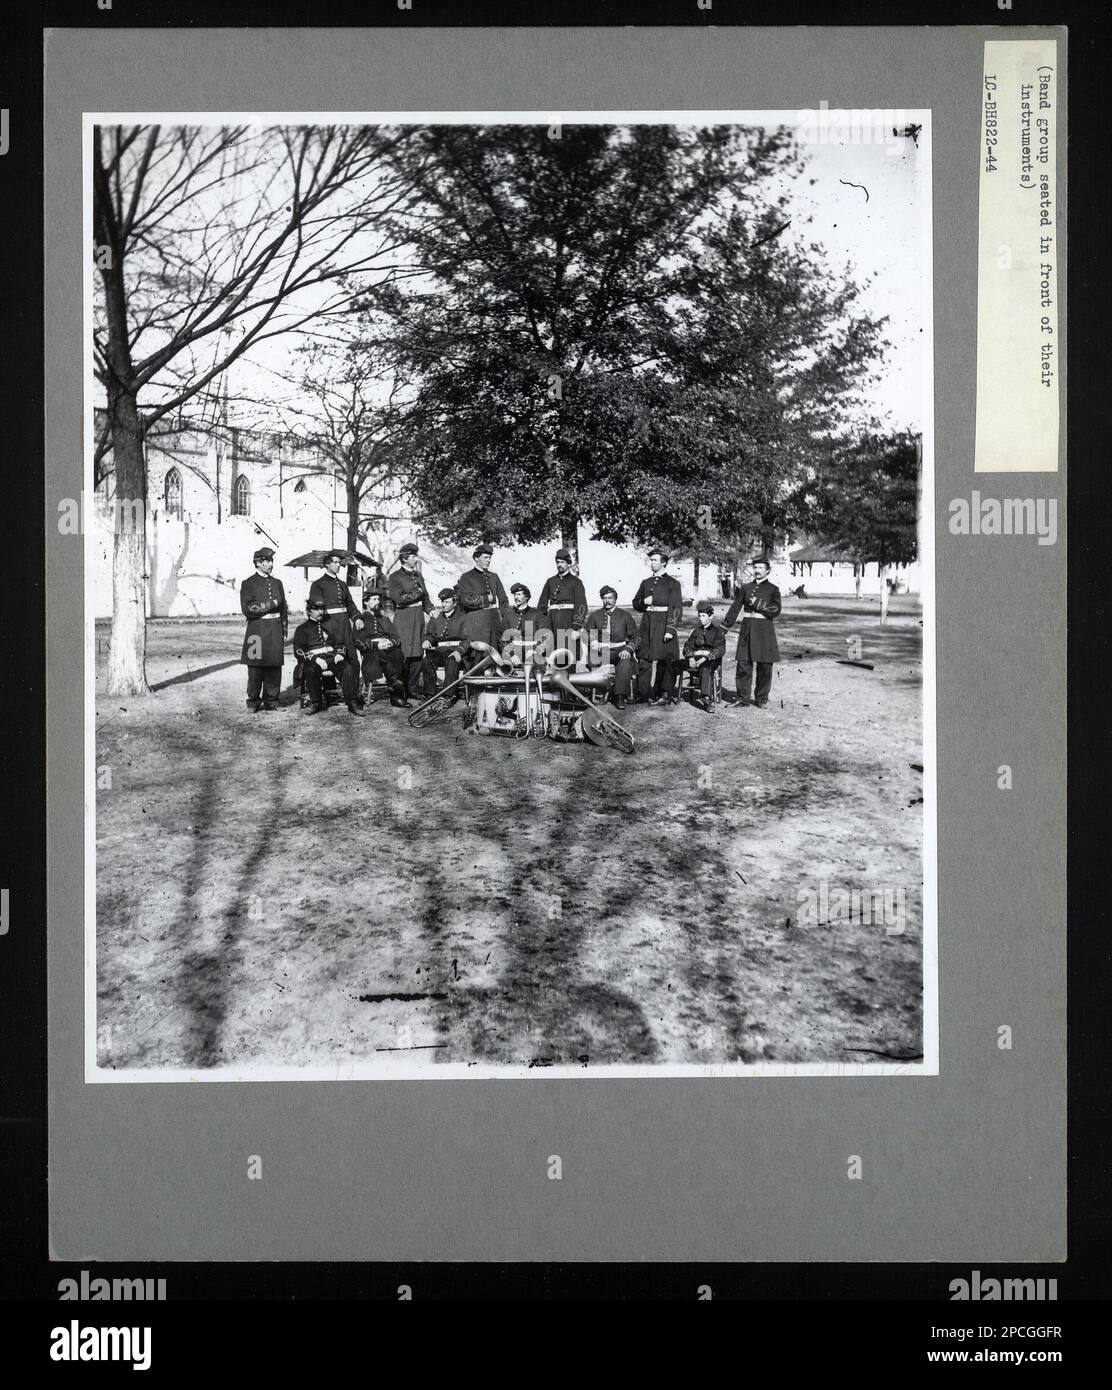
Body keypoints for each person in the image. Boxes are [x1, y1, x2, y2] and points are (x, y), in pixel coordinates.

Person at [724, 557, 782, 709]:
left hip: (764, 629)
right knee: (744, 664)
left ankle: (761, 698)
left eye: (761, 568)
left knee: (764, 666)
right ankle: (743, 698)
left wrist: (759, 604)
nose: (757, 570)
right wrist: (725, 626)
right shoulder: (746, 588)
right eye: (755, 568)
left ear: (767, 570)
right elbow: (735, 607)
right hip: (747, 628)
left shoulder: (773, 589)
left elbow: (776, 610)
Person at [292, 596, 363, 716]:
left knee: (347, 668)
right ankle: (316, 703)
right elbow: (299, 650)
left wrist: (339, 653)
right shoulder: (302, 629)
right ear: (309, 611)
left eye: (322, 609)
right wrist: (315, 658)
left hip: (332, 656)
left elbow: (339, 642)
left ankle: (352, 703)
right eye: (316, 609)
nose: (320, 612)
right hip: (314, 658)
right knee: (310, 669)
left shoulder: (331, 624)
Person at [239, 546, 289, 713]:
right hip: (257, 631)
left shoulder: (277, 583)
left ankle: (272, 700)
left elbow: (283, 609)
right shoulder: (248, 583)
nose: (270, 564)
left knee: (274, 667)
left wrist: (284, 629)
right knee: (255, 668)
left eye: (271, 561)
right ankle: (253, 702)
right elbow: (248, 608)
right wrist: (271, 604)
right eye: (267, 561)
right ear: (258, 563)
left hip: (275, 630)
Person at [631, 547, 684, 705]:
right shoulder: (646, 583)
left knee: (665, 660)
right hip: (647, 624)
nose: (651, 563)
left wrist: (670, 629)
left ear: (664, 563)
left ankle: (664, 694)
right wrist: (643, 602)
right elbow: (636, 604)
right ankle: (643, 693)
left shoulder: (672, 584)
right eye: (651, 560)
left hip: (663, 624)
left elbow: (676, 608)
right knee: (643, 658)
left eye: (654, 560)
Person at [386, 541, 433, 698]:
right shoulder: (395, 577)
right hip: (404, 618)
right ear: (405, 558)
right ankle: (402, 689)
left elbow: (425, 596)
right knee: (404, 654)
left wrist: (431, 610)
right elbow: (399, 599)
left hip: (418, 617)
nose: (415, 558)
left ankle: (413, 689)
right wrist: (417, 593)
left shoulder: (418, 575)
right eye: (413, 556)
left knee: (418, 654)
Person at [584, 586, 639, 708]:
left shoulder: (625, 616)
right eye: (604, 598)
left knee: (625, 662)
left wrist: (628, 649)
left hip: (620, 650)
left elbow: (635, 636)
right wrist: (593, 641)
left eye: (610, 598)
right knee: (593, 661)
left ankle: (620, 696)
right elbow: (589, 633)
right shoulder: (595, 616)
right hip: (601, 651)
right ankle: (604, 691)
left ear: (615, 600)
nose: (607, 601)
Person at [308, 550, 364, 663]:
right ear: (327, 564)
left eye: (339, 563)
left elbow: (350, 604)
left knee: (352, 657)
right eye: (335, 562)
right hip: (329, 626)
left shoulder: (343, 584)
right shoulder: (318, 584)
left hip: (345, 625)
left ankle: (352, 681)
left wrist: (357, 618)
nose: (339, 565)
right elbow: (315, 609)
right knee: (332, 659)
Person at [357, 587, 408, 708]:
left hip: (388, 650)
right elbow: (358, 642)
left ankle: (395, 690)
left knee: (397, 653)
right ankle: (396, 694)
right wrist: (377, 645)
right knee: (384, 656)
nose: (377, 602)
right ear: (365, 601)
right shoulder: (360, 619)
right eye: (374, 599)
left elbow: (396, 636)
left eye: (378, 599)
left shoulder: (384, 619)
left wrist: (390, 642)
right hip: (371, 653)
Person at [537, 547, 588, 665]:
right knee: (551, 658)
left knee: (569, 659)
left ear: (568, 564)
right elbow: (542, 606)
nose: (560, 565)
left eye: (562, 562)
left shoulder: (576, 582)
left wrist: (576, 628)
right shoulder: (550, 581)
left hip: (568, 624)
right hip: (552, 624)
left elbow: (581, 606)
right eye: (558, 562)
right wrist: (543, 626)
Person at [420, 587, 473, 698]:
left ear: (454, 603)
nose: (443, 605)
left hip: (456, 651)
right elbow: (430, 634)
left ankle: (448, 696)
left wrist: (459, 651)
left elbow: (468, 639)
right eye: (442, 602)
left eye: (447, 602)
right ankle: (430, 694)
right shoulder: (436, 617)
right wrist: (427, 640)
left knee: (452, 661)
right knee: (427, 661)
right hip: (440, 651)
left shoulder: (463, 618)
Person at [457, 543, 511, 649]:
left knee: (495, 651)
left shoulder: (494, 577)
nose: (488, 560)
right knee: (479, 653)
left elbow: (503, 599)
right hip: (476, 621)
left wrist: (507, 619)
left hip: (494, 621)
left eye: (490, 557)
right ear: (476, 558)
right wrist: (486, 599)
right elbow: (466, 599)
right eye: (485, 557)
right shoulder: (467, 577)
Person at [677, 599, 726, 712]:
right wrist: (691, 658)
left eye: (703, 616)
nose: (701, 618)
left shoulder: (718, 632)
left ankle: (706, 699)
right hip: (694, 660)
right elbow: (687, 647)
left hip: (710, 661)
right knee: (673, 663)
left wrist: (705, 658)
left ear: (711, 616)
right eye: (699, 616)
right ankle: (665, 693)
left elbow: (720, 649)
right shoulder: (696, 631)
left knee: (705, 667)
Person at [503, 583, 544, 664]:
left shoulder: (536, 614)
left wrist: (535, 651)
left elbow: (544, 637)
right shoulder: (508, 615)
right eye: (515, 595)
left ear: (526, 596)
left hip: (532, 653)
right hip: (513, 654)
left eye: (519, 594)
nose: (516, 597)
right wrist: (512, 655)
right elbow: (503, 638)